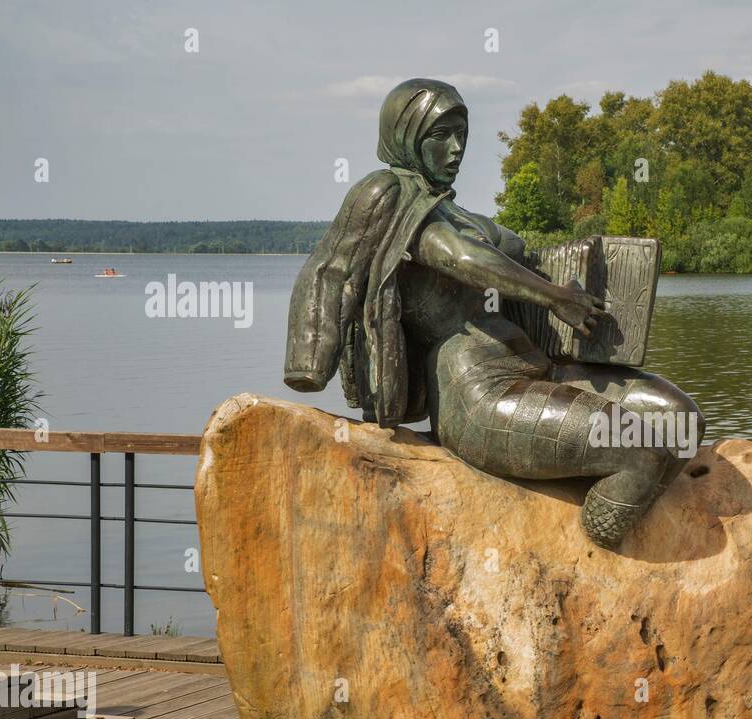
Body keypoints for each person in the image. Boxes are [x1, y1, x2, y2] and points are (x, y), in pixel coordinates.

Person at [285, 78, 704, 547]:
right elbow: (452, 258)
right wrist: (555, 296)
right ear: (404, 135)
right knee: (639, 451)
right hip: (476, 392)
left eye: (462, 133)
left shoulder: (455, 211)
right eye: (440, 135)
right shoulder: (393, 197)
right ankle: (594, 559)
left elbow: (490, 254)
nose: (457, 147)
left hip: (536, 368)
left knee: (681, 423)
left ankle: (629, 527)